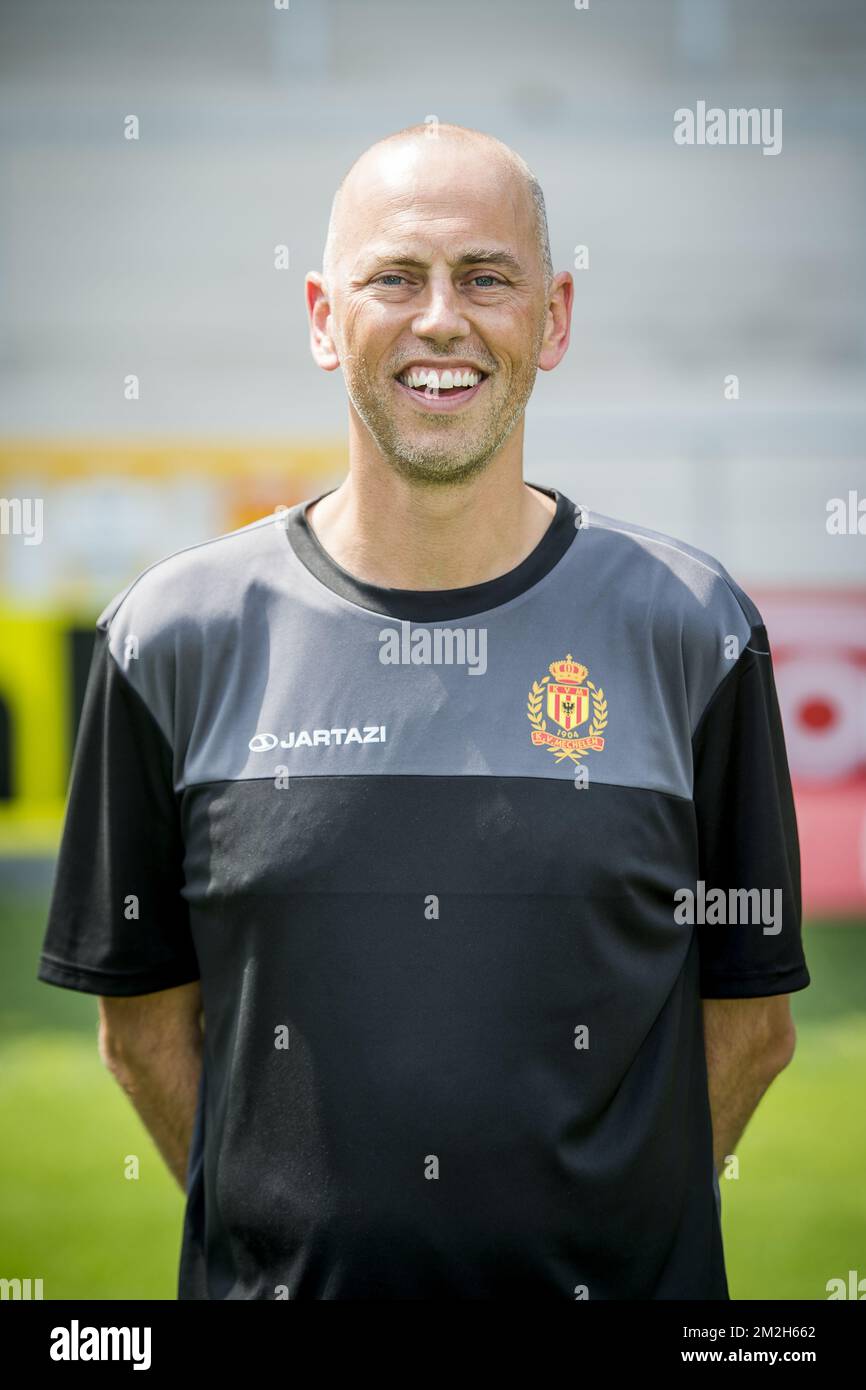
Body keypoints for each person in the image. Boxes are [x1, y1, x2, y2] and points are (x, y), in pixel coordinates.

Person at [37, 123, 810, 1299]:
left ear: (551, 320)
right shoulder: (170, 637)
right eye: (394, 277)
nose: (440, 318)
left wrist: (612, 1241)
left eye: (484, 277)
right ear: (319, 316)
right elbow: (142, 1027)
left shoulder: (691, 628)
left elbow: (748, 1023)